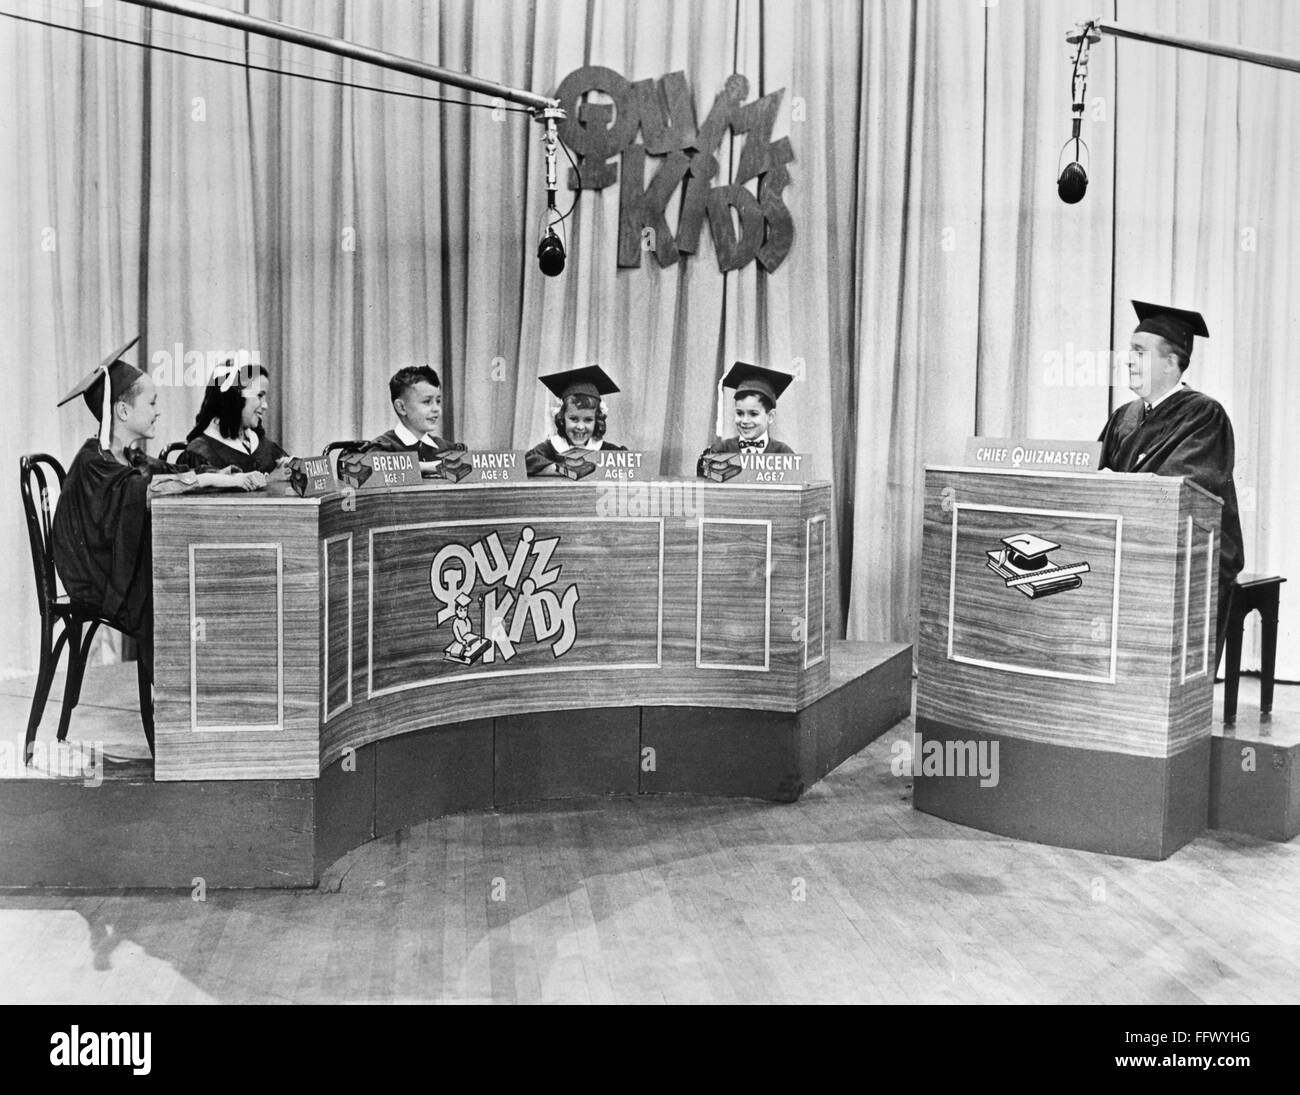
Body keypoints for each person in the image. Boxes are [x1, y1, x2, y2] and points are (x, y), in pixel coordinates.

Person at [53, 338, 265, 689]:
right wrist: (206, 479)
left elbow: (164, 472)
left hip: (114, 569)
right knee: (175, 588)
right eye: (151, 403)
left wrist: (217, 477)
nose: (157, 410)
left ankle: (203, 691)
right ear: (122, 411)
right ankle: (173, 698)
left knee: (191, 579)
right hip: (96, 579)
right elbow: (144, 491)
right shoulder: (94, 460)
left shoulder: (128, 455)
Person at [1098, 301, 1244, 664]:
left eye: (1138, 352)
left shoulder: (1204, 414)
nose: (1128, 361)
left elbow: (1182, 490)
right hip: (1132, 543)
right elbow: (1098, 477)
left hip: (1191, 550)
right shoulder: (1124, 417)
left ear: (1170, 363)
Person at [183, 360, 292, 476]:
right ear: (235, 399)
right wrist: (272, 481)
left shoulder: (266, 447)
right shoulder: (199, 453)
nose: (265, 406)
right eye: (259, 395)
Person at [525, 365, 627, 477]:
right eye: (573, 419)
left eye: (588, 420)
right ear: (562, 418)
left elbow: (634, 465)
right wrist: (561, 470)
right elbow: (526, 462)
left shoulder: (607, 451)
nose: (580, 426)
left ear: (597, 421)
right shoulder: (550, 448)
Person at [370, 365, 464, 472]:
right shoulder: (380, 448)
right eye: (426, 402)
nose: (436, 409)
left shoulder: (447, 448)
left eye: (438, 401)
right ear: (401, 407)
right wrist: (431, 467)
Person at [700, 361, 796, 457]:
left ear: (770, 416)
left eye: (753, 414)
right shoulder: (720, 451)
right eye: (739, 413)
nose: (745, 421)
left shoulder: (784, 454)